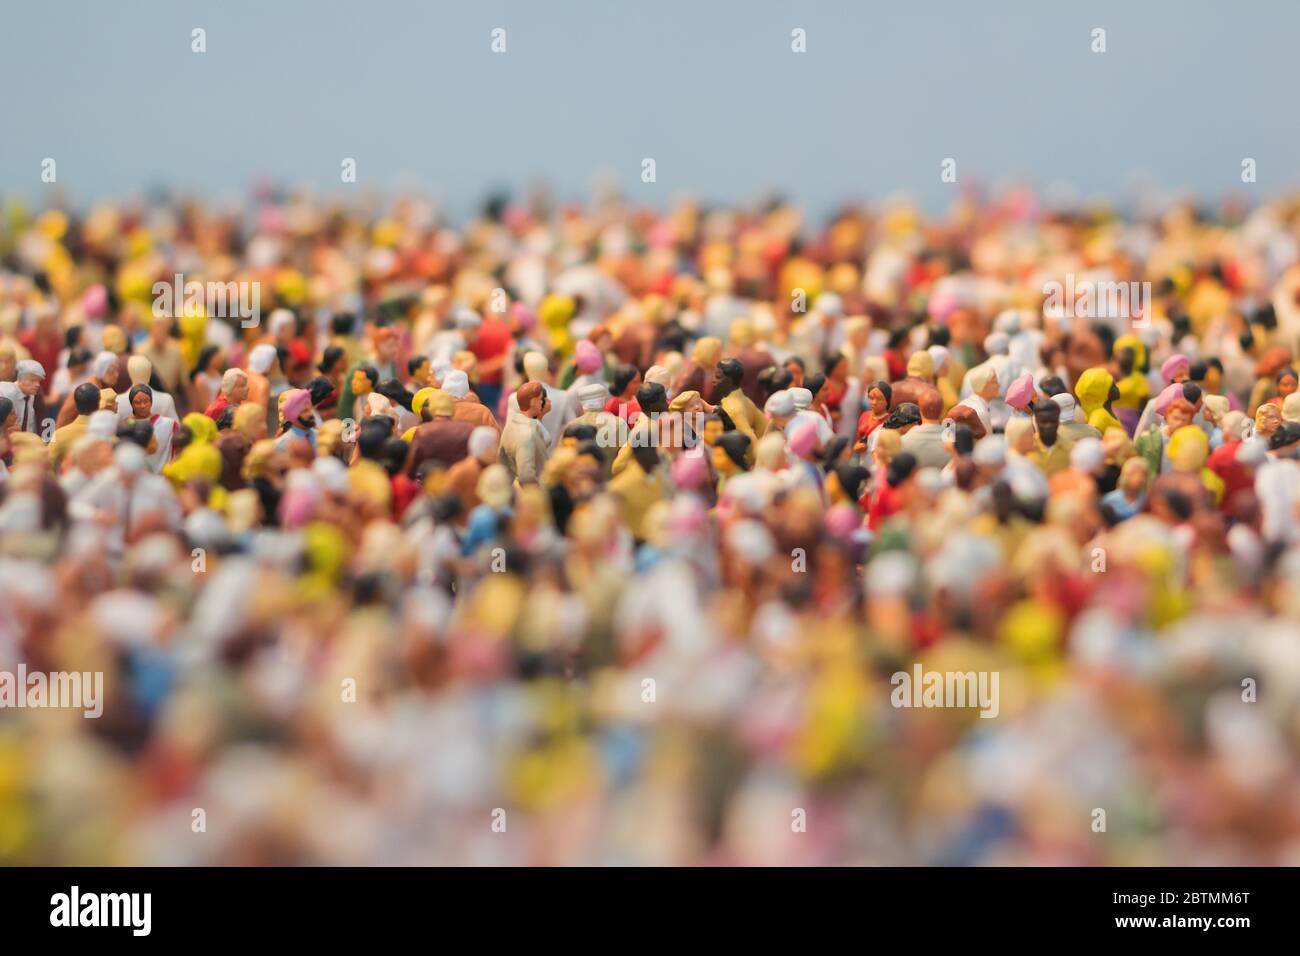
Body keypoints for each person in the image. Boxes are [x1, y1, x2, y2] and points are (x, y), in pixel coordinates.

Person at [498, 381, 551, 485]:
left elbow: (501, 458)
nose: (542, 403)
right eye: (540, 400)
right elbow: (526, 476)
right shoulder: (528, 435)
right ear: (532, 402)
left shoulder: (510, 425)